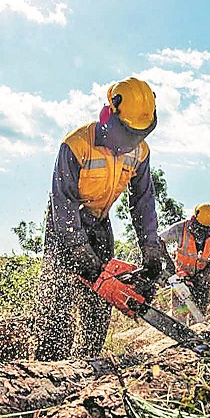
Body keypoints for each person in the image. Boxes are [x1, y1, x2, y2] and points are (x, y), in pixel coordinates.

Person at [34, 77, 163, 361]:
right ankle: (46, 364)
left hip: (100, 220)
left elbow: (143, 201)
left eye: (139, 134)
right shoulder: (76, 145)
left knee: (99, 301)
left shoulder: (140, 152)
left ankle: (87, 363)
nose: (133, 141)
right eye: (129, 133)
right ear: (111, 115)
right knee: (57, 299)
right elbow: (63, 203)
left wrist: (151, 249)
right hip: (64, 223)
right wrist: (80, 253)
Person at [159, 204, 210, 314]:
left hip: (202, 279)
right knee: (179, 314)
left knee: (199, 313)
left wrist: (204, 273)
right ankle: (177, 328)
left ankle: (198, 327)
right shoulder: (181, 228)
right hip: (181, 276)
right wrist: (169, 264)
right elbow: (159, 240)